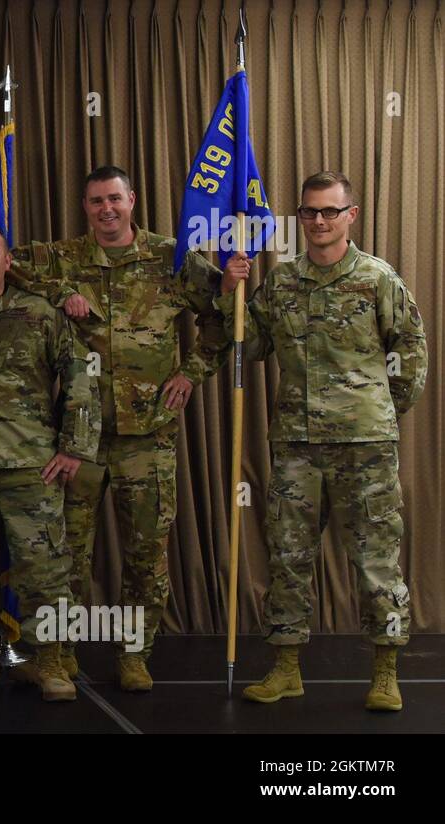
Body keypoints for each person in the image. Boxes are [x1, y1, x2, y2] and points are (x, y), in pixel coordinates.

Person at [15, 165, 248, 690]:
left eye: (114, 199)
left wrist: (191, 373)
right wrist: (58, 294)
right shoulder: (65, 258)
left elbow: (226, 316)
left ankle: (134, 654)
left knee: (146, 552)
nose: (106, 210)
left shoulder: (171, 257)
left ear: (132, 200)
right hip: (81, 438)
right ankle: (59, 653)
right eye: (96, 201)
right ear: (85, 207)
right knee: (67, 554)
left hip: (148, 437)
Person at [220, 171, 427, 711]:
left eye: (330, 211)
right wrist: (229, 294)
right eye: (309, 212)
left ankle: (385, 673)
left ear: (350, 215)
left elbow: (410, 352)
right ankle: (286, 667)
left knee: (376, 559)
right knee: (288, 557)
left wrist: (381, 410)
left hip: (365, 444)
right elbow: (253, 341)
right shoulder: (282, 282)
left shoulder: (378, 280)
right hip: (296, 443)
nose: (318, 221)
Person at [0, 223, 100, 702]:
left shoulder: (39, 312)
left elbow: (78, 375)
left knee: (44, 570)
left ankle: (49, 660)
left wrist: (74, 447)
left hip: (30, 465)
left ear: (8, 260)